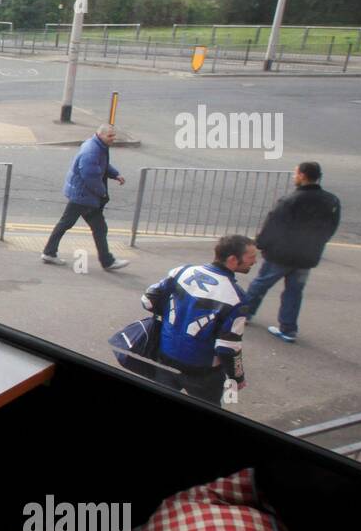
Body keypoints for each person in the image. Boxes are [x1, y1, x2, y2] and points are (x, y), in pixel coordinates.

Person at [141, 234, 257, 405]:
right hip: (202, 371)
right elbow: (227, 348)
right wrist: (237, 377)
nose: (254, 262)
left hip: (165, 358)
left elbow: (147, 301)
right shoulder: (237, 298)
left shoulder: (181, 272)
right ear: (232, 260)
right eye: (251, 257)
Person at [245, 161, 341, 343]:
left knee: (260, 284)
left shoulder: (290, 200)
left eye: (295, 173)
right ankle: (288, 329)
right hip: (307, 256)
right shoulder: (331, 201)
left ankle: (245, 313)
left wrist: (261, 244)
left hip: (281, 254)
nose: (294, 176)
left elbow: (273, 225)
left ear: (303, 176)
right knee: (294, 292)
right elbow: (331, 227)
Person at [41, 124, 129, 271]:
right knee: (71, 224)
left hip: (83, 195)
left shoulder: (98, 146)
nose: (113, 139)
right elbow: (91, 177)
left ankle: (50, 252)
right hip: (83, 196)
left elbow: (102, 165)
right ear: (100, 134)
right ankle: (106, 261)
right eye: (110, 136)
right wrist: (102, 193)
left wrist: (115, 174)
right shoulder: (92, 151)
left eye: (114, 135)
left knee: (95, 227)